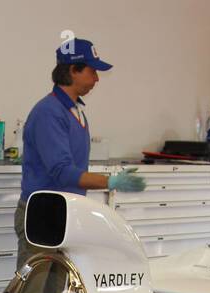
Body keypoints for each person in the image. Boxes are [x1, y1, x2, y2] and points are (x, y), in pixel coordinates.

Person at [16, 37, 145, 268]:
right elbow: (63, 172)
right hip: (43, 216)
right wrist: (112, 181)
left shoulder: (74, 111)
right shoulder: (49, 112)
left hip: (65, 214)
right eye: (92, 71)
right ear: (73, 70)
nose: (96, 78)